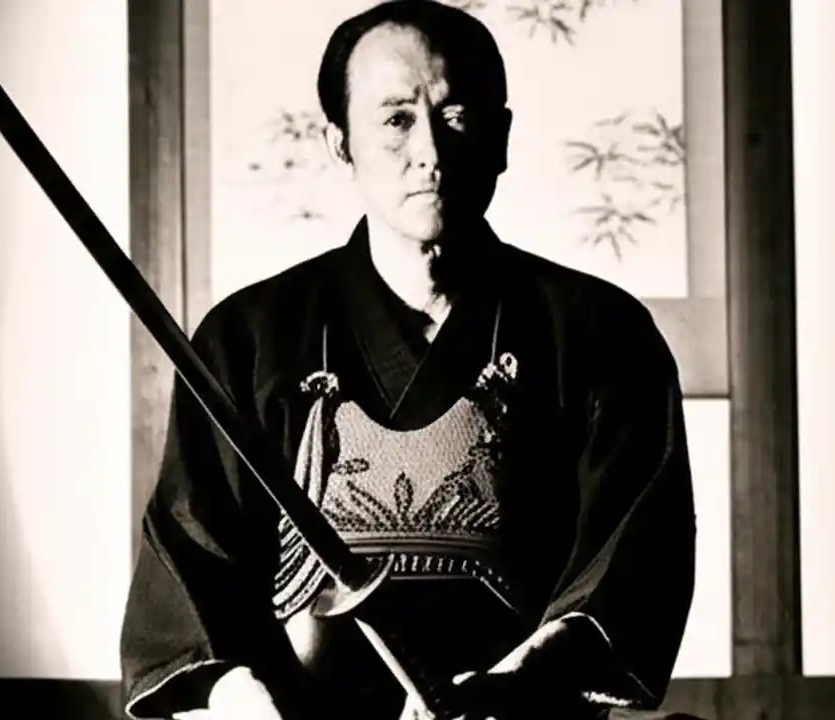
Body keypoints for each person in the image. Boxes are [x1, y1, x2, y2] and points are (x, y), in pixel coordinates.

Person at [119, 1, 696, 718]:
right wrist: (245, 700)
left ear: (503, 136)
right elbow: (191, 571)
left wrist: (523, 682)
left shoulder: (602, 334)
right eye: (395, 119)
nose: (430, 149)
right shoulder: (248, 338)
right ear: (340, 142)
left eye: (455, 115)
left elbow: (634, 559)